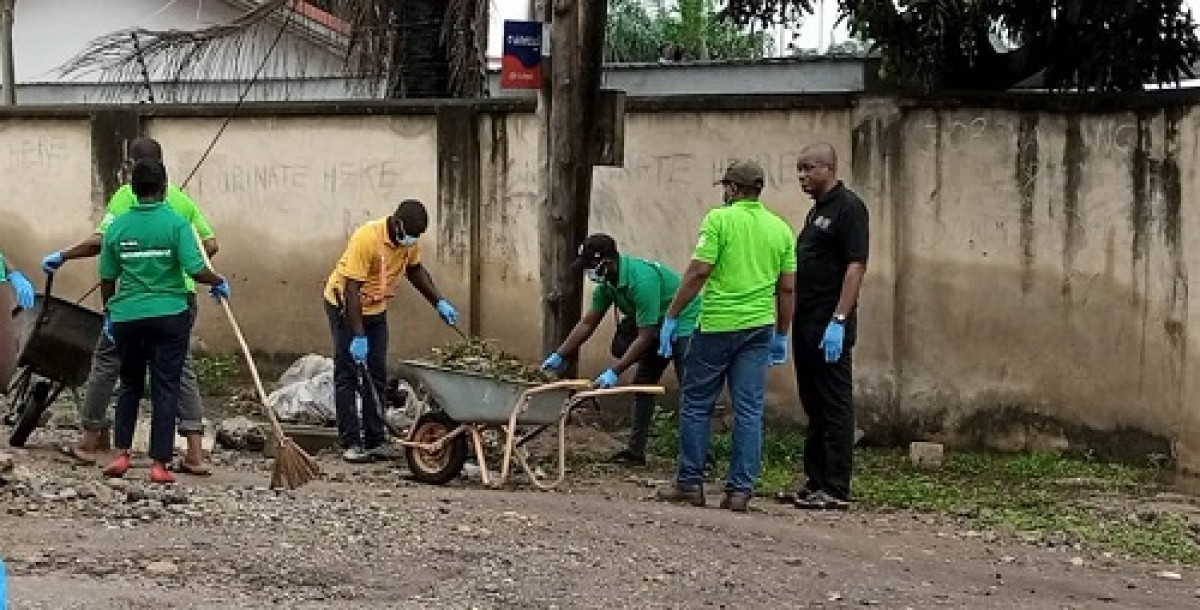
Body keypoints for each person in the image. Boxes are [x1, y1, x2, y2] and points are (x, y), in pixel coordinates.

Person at [42, 137, 219, 474]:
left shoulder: (125, 202)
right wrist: (190, 270)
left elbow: (102, 250)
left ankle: (95, 444)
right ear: (163, 178)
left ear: (131, 169)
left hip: (129, 309)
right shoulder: (181, 205)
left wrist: (64, 256)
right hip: (177, 303)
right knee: (176, 375)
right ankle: (187, 455)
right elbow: (209, 245)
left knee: (115, 369)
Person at [654, 159, 796, 512]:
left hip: (717, 325)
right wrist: (781, 333)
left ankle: (690, 483)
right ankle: (739, 492)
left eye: (725, 187)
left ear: (732, 189)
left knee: (698, 404)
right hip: (759, 327)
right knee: (749, 409)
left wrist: (672, 314)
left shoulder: (719, 219)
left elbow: (700, 270)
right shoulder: (780, 229)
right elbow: (788, 288)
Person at [97, 158, 229, 484]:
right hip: (169, 315)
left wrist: (110, 314)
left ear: (133, 189)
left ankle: (122, 454)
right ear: (165, 188)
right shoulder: (176, 225)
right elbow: (195, 268)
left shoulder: (116, 228)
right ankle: (158, 464)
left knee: (128, 384)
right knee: (165, 386)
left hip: (127, 317)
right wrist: (217, 280)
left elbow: (107, 277)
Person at [540, 233, 701, 466]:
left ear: (607, 261)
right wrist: (560, 354)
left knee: (690, 389)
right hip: (655, 323)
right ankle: (635, 452)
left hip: (684, 320)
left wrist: (615, 371)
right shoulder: (608, 284)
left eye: (590, 266)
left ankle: (696, 459)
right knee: (643, 384)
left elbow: (645, 337)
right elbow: (588, 323)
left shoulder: (641, 281)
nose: (588, 273)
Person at [323, 199, 459, 463]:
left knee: (376, 372)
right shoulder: (367, 238)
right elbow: (351, 290)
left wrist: (439, 302)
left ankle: (375, 440)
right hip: (345, 306)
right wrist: (358, 336)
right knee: (348, 373)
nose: (412, 240)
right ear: (397, 223)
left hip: (376, 309)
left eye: (416, 237)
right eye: (409, 235)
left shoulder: (409, 242)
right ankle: (351, 442)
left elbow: (415, 270)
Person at [787, 142, 869, 511]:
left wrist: (839, 319)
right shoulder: (816, 211)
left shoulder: (849, 208)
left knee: (834, 403)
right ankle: (814, 480)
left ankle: (836, 487)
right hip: (806, 322)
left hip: (829, 324)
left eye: (809, 168)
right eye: (799, 169)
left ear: (829, 169)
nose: (802, 176)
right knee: (813, 403)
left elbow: (855, 266)